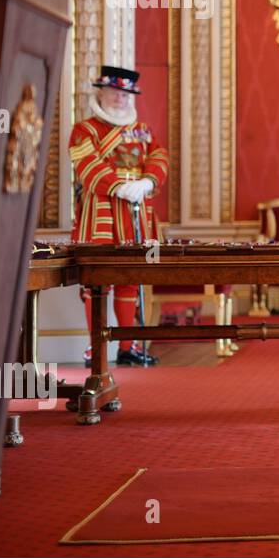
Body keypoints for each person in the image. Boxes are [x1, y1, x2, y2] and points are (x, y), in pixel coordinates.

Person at [69, 65, 169, 367]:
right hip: (101, 211)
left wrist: (147, 182)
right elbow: (85, 164)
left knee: (130, 277)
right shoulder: (84, 130)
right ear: (101, 93)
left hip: (136, 212)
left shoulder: (142, 130)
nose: (121, 99)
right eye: (115, 92)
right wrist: (117, 186)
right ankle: (95, 346)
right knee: (97, 281)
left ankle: (128, 346)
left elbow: (159, 156)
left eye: (126, 94)